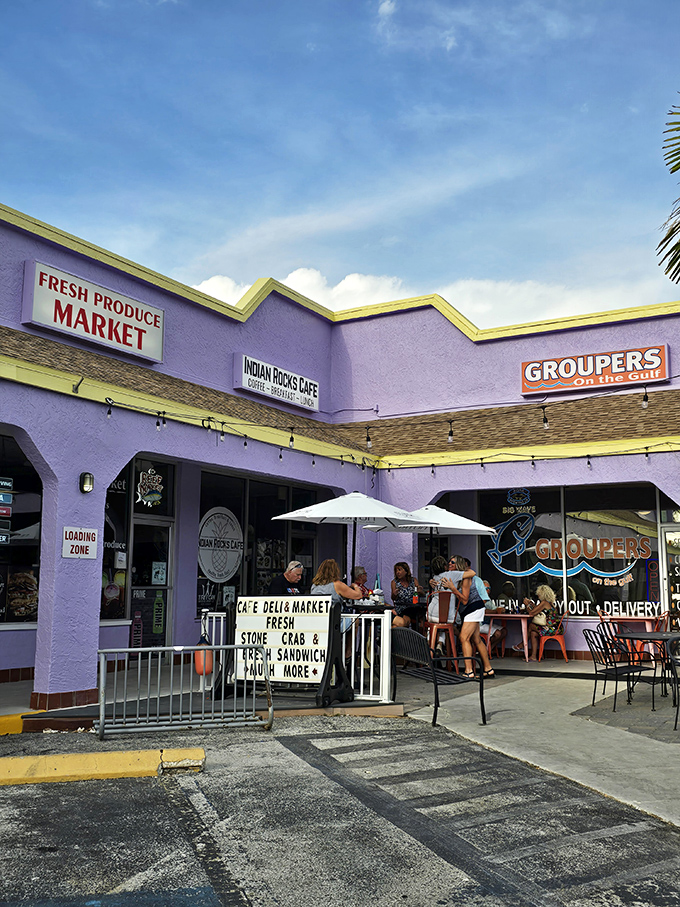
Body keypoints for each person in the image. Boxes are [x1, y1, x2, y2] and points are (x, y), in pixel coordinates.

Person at [441, 555, 495, 678]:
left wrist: (453, 588)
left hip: (473, 608)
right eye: (449, 561)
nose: (449, 563)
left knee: (463, 638)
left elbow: (464, 600)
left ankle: (469, 671)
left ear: (458, 565)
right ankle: (488, 669)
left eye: (452, 562)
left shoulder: (466, 577)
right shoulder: (456, 577)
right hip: (471, 610)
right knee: (476, 639)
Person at [311, 559, 365, 657]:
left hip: (319, 623)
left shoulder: (314, 586)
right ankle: (348, 652)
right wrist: (355, 586)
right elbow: (358, 595)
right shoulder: (337, 585)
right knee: (355, 621)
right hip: (333, 623)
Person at [514, 584, 561, 661]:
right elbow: (537, 609)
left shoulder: (544, 603)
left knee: (531, 626)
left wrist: (527, 605)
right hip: (555, 628)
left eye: (539, 594)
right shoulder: (549, 603)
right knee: (533, 633)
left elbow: (531, 613)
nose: (538, 596)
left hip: (551, 629)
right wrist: (531, 604)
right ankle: (533, 656)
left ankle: (522, 644)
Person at [390, 562, 425, 628]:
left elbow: (421, 594)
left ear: (406, 571)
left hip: (413, 606)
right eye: (396, 570)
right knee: (411, 615)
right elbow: (393, 598)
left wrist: (420, 591)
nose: (397, 572)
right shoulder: (394, 582)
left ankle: (418, 633)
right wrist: (394, 594)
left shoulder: (413, 580)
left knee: (421, 611)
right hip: (401, 608)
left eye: (399, 570)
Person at [479, 579, 508, 657]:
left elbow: (494, 609)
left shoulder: (488, 600)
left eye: (489, 588)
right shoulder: (478, 598)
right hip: (479, 625)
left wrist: (501, 609)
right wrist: (496, 611)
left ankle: (489, 648)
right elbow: (484, 611)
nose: (488, 590)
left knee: (504, 631)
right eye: (486, 588)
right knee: (498, 633)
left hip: (487, 623)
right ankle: (484, 649)